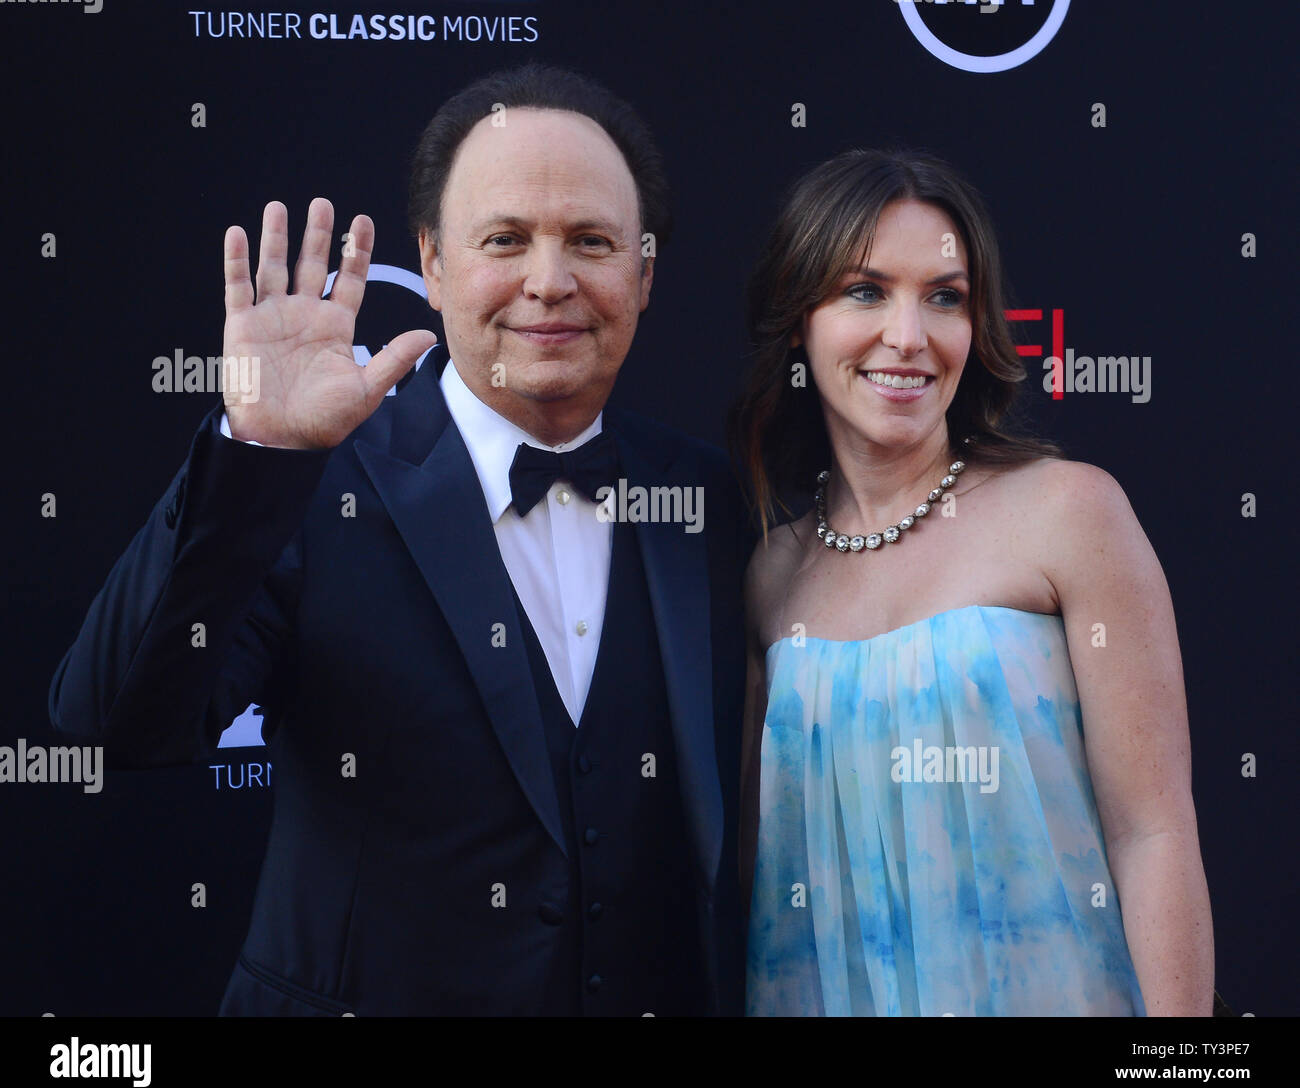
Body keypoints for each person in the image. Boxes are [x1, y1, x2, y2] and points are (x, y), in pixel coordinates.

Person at [48, 63, 748, 1016]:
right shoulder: (307, 481)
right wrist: (255, 452)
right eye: (506, 239)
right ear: (431, 261)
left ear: (645, 272)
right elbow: (114, 717)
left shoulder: (705, 494)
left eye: (591, 240)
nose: (551, 281)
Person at [731, 149, 1214, 1016]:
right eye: (866, 291)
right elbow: (756, 886)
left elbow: (1153, 834)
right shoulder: (773, 576)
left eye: (945, 296)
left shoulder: (1069, 512)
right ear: (799, 319)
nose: (909, 336)